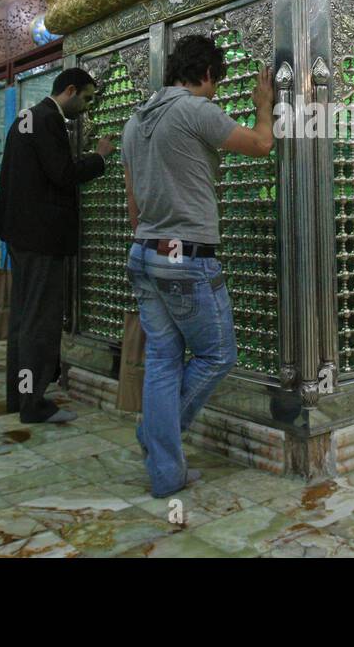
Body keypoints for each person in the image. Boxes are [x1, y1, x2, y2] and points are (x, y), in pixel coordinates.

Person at [121, 35, 274, 498]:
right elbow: (262, 145)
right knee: (216, 355)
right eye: (215, 83)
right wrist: (263, 103)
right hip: (184, 257)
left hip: (145, 252)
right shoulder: (194, 110)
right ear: (206, 74)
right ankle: (155, 436)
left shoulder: (134, 122)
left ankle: (167, 472)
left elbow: (133, 204)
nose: (215, 92)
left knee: (164, 360)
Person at [0, 68, 111, 424]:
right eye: (86, 98)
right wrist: (100, 157)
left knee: (24, 317)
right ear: (70, 90)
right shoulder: (47, 120)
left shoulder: (28, 117)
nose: (86, 107)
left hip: (21, 234)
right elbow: (62, 175)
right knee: (40, 321)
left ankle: (20, 396)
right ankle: (34, 404)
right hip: (41, 237)